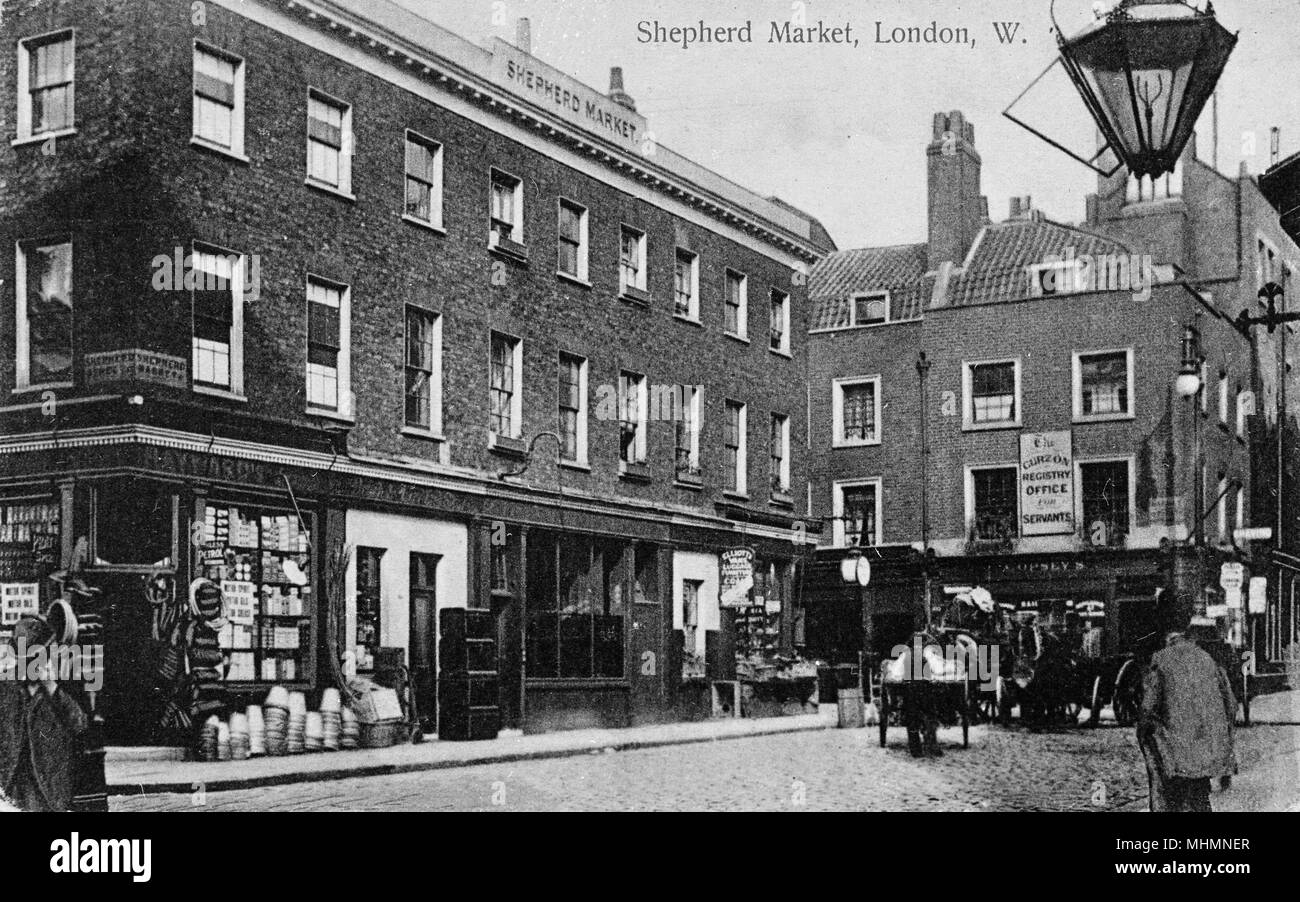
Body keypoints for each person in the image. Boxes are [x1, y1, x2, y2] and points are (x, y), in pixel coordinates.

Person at [1137, 612, 1237, 812]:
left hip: (1173, 755)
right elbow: (1231, 705)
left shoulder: (1161, 660)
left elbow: (1149, 707)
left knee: (1169, 799)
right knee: (1199, 799)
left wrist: (1143, 733)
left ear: (1167, 637)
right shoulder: (1208, 660)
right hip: (1205, 753)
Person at [0, 616, 90, 811]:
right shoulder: (5, 687)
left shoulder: (63, 683)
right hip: (11, 786)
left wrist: (52, 687)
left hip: (50, 790)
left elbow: (80, 724)